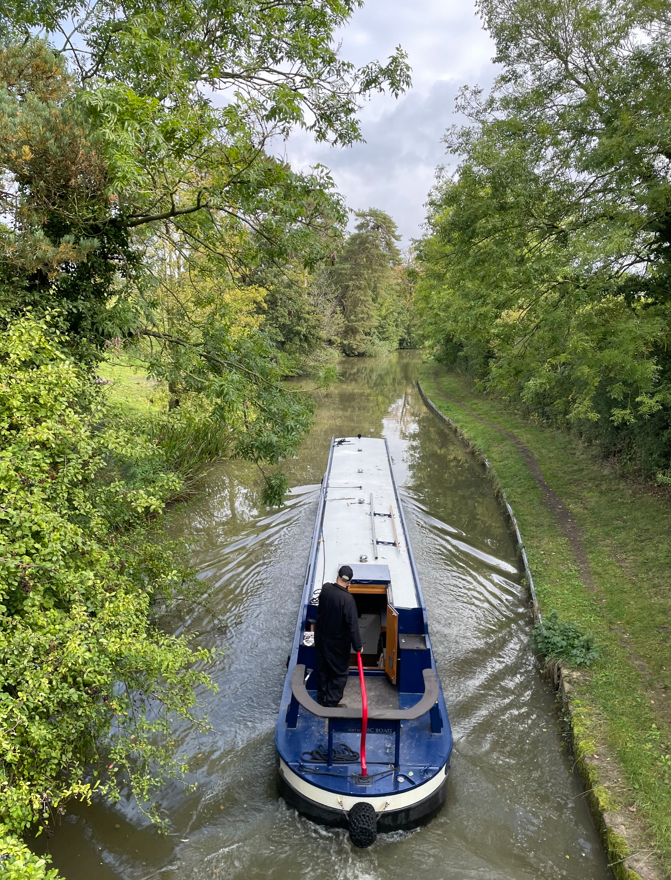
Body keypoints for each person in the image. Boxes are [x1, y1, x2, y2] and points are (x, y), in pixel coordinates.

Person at [314, 564, 362, 707]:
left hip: (321, 639)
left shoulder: (326, 588)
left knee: (323, 669)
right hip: (337, 644)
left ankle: (322, 699)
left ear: (337, 576)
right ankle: (331, 703)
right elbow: (352, 626)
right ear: (350, 582)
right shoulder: (348, 600)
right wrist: (358, 646)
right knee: (339, 672)